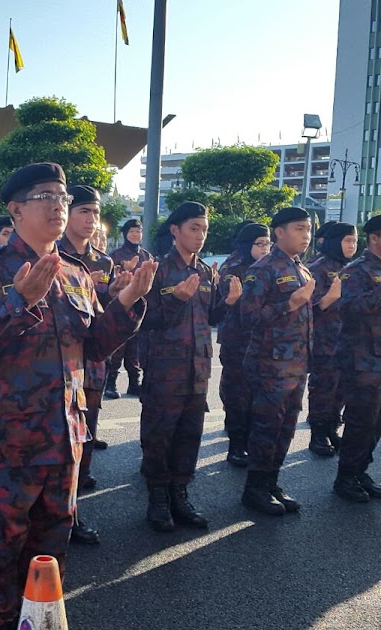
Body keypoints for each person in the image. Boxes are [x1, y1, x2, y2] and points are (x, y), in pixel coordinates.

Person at [0, 162, 152, 630]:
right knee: (0, 544)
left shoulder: (76, 273)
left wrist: (126, 302)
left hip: (64, 435)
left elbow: (95, 346)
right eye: (46, 197)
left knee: (51, 546)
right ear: (16, 209)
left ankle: (40, 620)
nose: (58, 207)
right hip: (8, 437)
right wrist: (19, 301)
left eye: (63, 199)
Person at [139, 201, 227, 531]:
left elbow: (211, 316)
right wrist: (176, 299)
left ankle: (180, 495)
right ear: (175, 230)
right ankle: (158, 499)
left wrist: (228, 303)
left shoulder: (206, 272)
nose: (200, 235)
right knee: (159, 436)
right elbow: (145, 320)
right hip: (165, 371)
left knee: (190, 436)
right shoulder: (157, 270)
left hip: (198, 371)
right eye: (194, 228)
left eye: (204, 229)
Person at [56, 184, 124, 546]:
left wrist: (117, 295)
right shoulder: (53, 254)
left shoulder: (103, 261)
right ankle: (52, 517)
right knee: (54, 444)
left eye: (95, 213)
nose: (91, 219)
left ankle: (74, 512)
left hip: (92, 365)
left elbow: (103, 316)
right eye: (83, 211)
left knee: (84, 438)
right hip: (58, 365)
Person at [238, 207, 313, 515]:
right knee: (266, 428)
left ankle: (271, 482)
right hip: (269, 364)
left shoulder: (301, 269)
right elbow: (248, 317)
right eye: (299, 229)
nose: (306, 235)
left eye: (308, 229)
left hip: (296, 363)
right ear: (279, 232)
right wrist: (288, 304)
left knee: (286, 428)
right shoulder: (263, 268)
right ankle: (254, 489)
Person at [333, 214, 381, 503]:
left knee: (380, 422)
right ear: (374, 238)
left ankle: (360, 470)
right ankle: (345, 477)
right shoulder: (357, 271)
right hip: (364, 363)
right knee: (361, 422)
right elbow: (348, 311)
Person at [217, 222, 271, 466]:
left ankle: (250, 440)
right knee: (238, 393)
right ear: (247, 244)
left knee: (258, 394)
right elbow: (235, 301)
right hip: (237, 340)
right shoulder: (234, 269)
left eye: (268, 244)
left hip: (261, 340)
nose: (265, 248)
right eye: (260, 244)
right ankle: (236, 445)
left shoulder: (270, 268)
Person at [306, 222, 356, 457]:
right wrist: (328, 299)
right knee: (323, 388)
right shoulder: (317, 268)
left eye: (354, 241)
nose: (352, 246)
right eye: (347, 241)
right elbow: (307, 310)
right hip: (325, 340)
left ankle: (331, 428)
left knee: (342, 388)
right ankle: (318, 434)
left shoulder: (353, 268)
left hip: (349, 340)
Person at [106, 218, 153, 398]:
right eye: (132, 231)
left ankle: (134, 383)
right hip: (121, 307)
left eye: (138, 231)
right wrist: (123, 268)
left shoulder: (147, 256)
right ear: (125, 233)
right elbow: (109, 281)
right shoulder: (115, 255)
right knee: (118, 347)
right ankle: (111, 383)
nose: (135, 235)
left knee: (136, 349)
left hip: (140, 308)